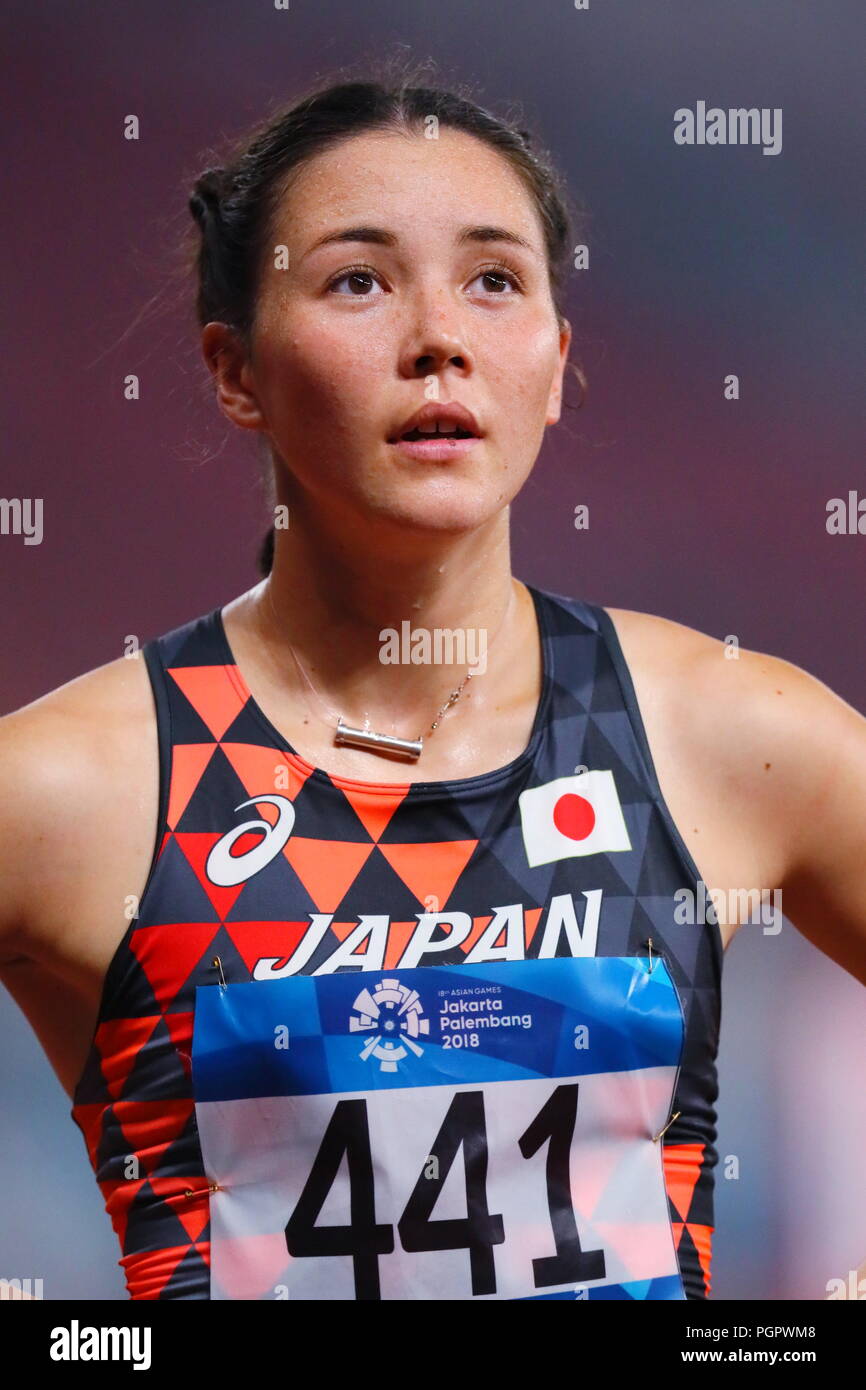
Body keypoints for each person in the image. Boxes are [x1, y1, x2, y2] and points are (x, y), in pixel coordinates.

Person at [1, 69, 865, 1303]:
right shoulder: (66, 787)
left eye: (494, 279)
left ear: (557, 362)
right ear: (234, 367)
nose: (439, 337)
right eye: (357, 279)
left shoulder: (728, 733)